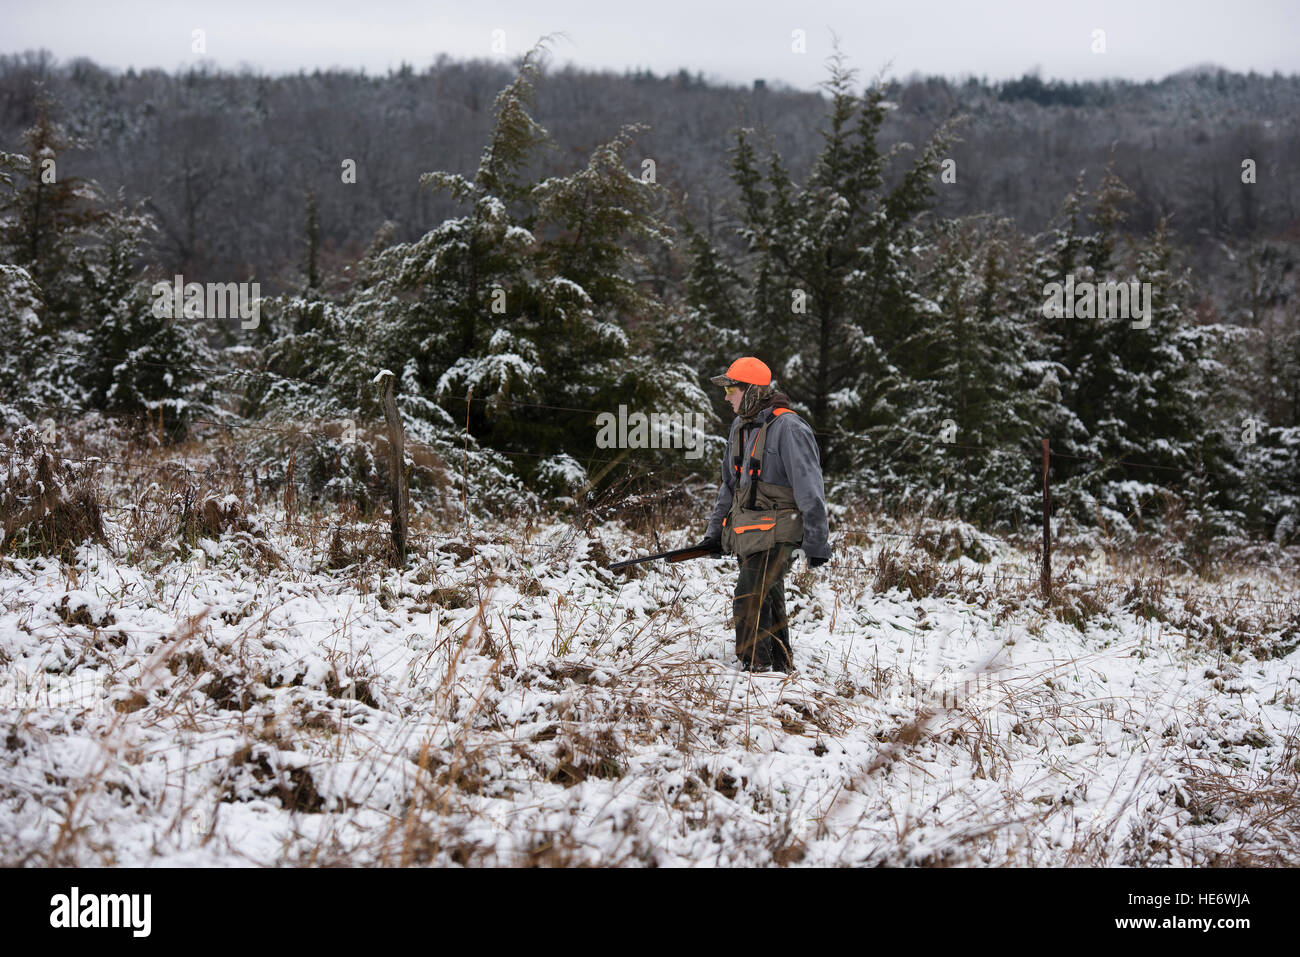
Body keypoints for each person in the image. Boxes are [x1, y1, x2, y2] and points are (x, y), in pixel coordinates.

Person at [697, 357, 831, 673]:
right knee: (768, 598)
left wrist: (816, 542)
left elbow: (810, 489)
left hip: (781, 531)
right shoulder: (740, 426)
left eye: (731, 388)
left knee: (748, 597)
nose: (726, 396)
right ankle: (781, 667)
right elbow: (728, 487)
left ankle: (755, 670)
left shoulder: (790, 428)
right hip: (749, 532)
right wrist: (715, 533)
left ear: (753, 390)